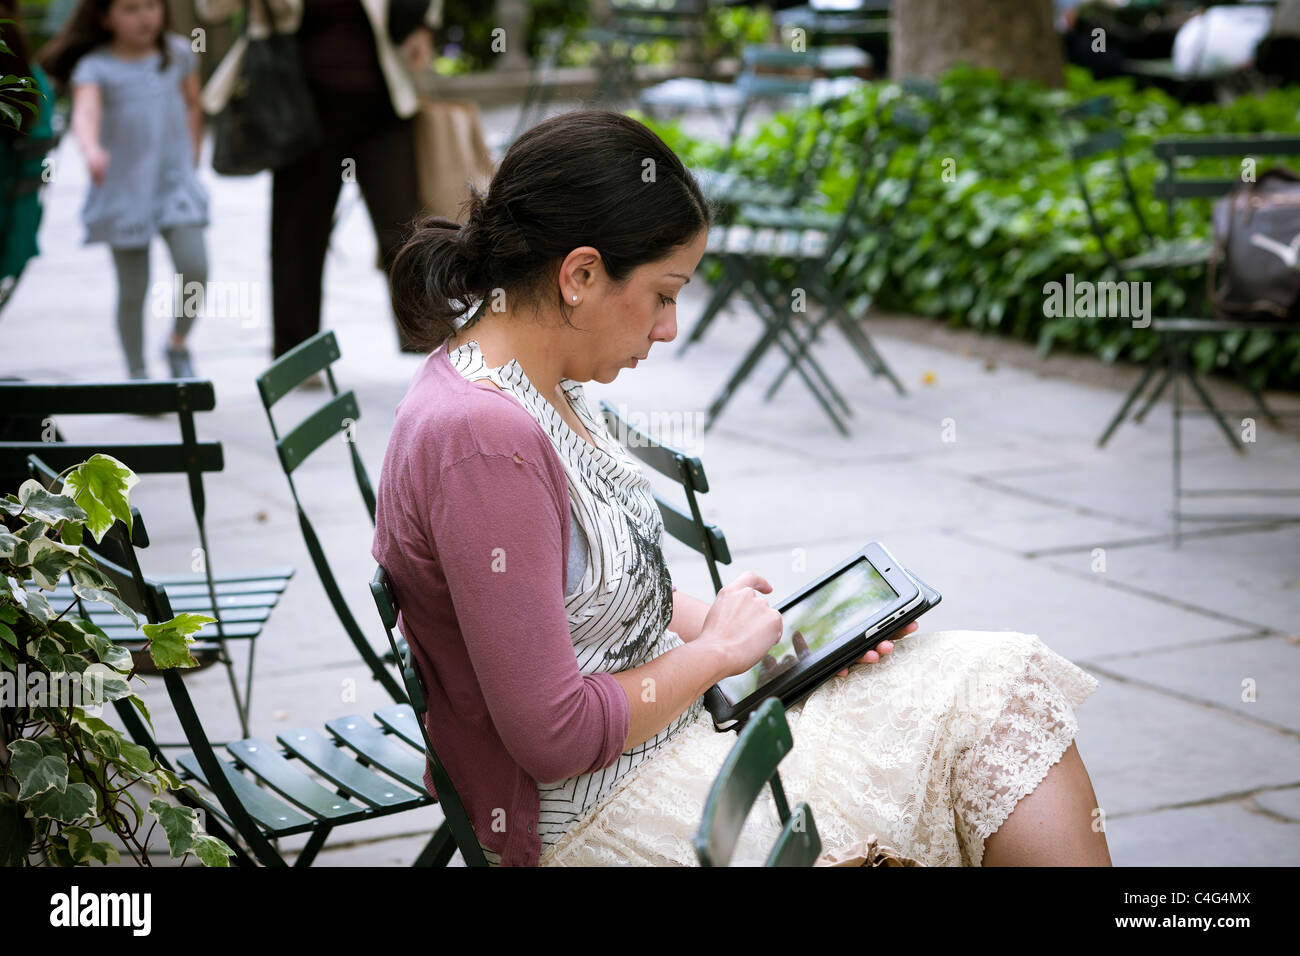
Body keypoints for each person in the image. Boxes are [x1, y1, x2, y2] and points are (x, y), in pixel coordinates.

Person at [372, 110, 1112, 868]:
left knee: (999, 681)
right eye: (664, 294)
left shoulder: (536, 376)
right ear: (582, 275)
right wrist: (719, 654)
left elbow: (576, 607)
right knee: (975, 718)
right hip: (596, 811)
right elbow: (552, 737)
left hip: (668, 733)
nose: (670, 327)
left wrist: (781, 641)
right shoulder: (483, 440)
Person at [196, 0, 442, 372]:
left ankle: (433, 349)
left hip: (381, 108)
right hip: (299, 116)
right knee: (297, 238)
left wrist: (424, 24)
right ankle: (297, 359)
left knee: (405, 232)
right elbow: (211, 11)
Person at [39, 0, 209, 380]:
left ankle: (177, 343)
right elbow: (85, 113)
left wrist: (192, 157)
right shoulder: (95, 67)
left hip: (175, 187)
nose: (145, 16)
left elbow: (192, 103)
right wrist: (91, 149)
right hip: (125, 191)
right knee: (133, 290)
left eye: (151, 5)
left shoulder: (179, 54)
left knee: (195, 268)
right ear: (105, 17)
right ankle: (137, 375)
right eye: (130, 8)